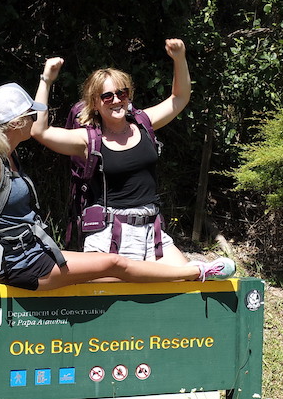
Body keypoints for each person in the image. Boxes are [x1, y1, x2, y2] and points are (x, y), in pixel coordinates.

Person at [0, 82, 235, 295]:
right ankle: (197, 271)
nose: (35, 121)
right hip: (19, 264)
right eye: (30, 115)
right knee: (114, 264)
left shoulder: (9, 154)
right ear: (16, 122)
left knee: (107, 272)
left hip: (36, 251)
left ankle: (194, 271)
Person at [29, 39, 190, 263]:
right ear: (95, 103)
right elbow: (40, 131)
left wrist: (179, 58)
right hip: (109, 235)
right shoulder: (88, 140)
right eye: (107, 96)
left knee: (185, 283)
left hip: (152, 230)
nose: (116, 100)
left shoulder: (144, 123)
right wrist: (46, 81)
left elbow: (179, 98)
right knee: (111, 296)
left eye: (121, 94)